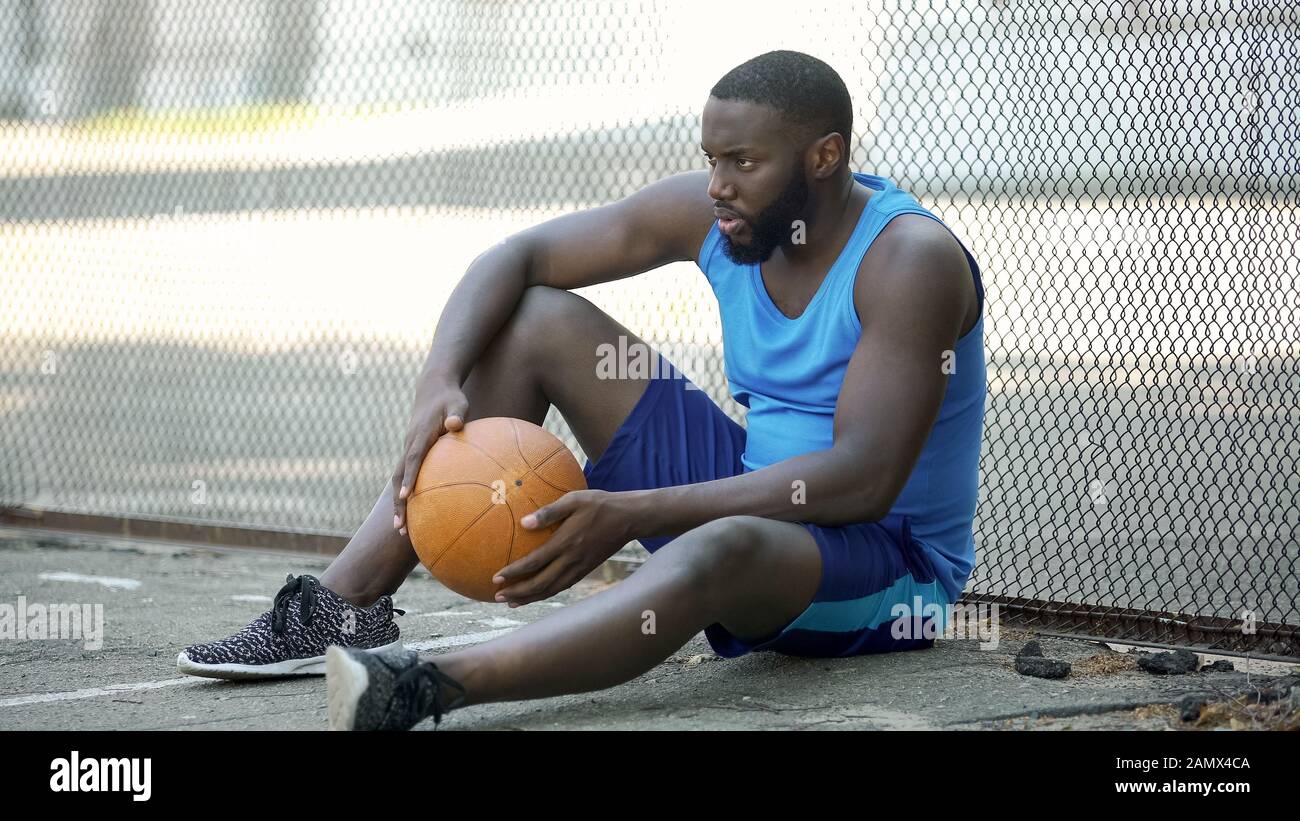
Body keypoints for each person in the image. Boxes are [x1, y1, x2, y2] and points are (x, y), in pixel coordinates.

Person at [177, 50, 987, 731]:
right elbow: (518, 256)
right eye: (711, 158)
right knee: (535, 320)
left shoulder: (909, 260)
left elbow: (861, 478)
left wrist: (633, 514)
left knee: (721, 542)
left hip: (886, 565)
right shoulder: (722, 214)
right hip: (755, 495)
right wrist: (438, 380)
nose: (717, 186)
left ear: (824, 156)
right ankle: (343, 603)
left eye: (744, 163)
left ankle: (425, 682)